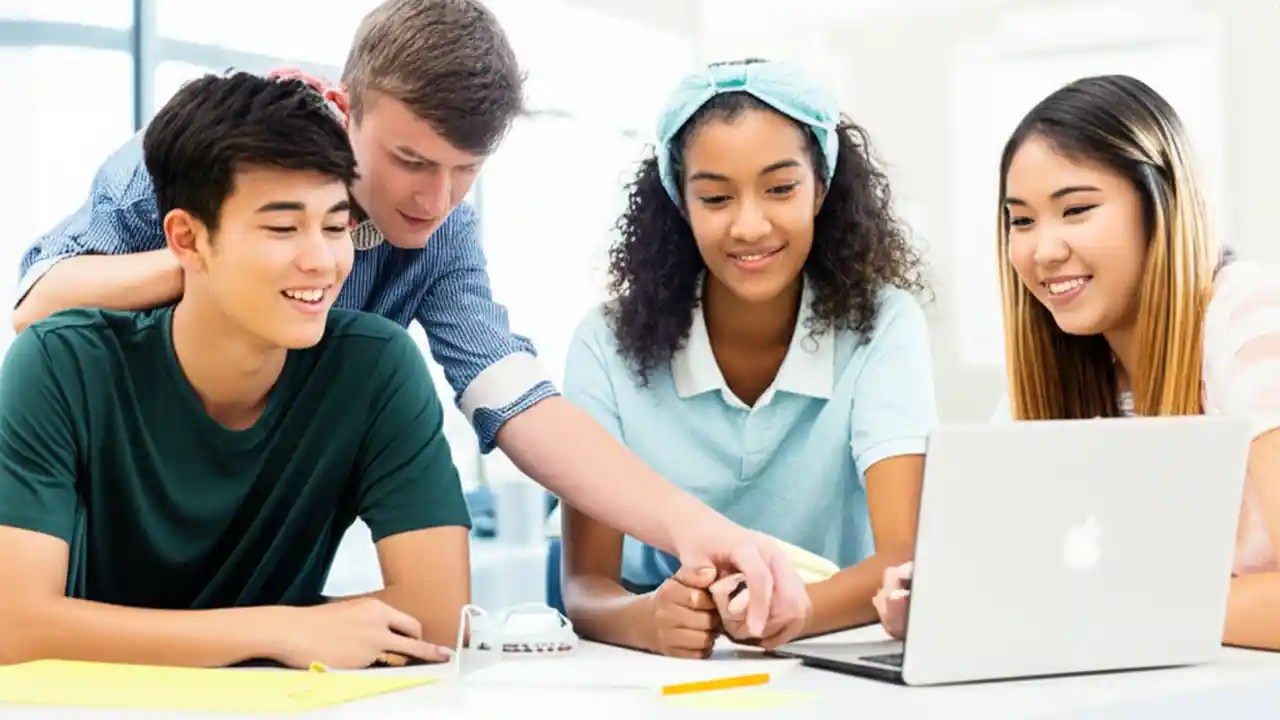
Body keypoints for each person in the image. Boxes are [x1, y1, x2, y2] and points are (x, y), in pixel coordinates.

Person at [9, 0, 807, 636]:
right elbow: (40, 300)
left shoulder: (436, 242)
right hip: (118, 544)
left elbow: (512, 394)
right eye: (412, 162)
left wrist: (692, 529)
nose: (436, 200)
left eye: (467, 171)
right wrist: (234, 256)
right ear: (345, 109)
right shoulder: (216, 152)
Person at [0, 71, 471, 669]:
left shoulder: (376, 370)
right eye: (281, 228)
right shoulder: (60, 364)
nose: (321, 262)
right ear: (187, 240)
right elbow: (13, 626)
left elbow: (439, 615)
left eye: (334, 226)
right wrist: (279, 631)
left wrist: (278, 633)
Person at [874, 75, 1280, 651]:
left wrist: (1090, 604)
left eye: (1077, 209)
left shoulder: (1251, 318)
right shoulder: (1056, 368)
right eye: (1021, 220)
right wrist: (941, 596)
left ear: (1160, 206)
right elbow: (990, 560)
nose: (1043, 250)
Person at [558, 59, 937, 658]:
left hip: (834, 663)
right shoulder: (604, 343)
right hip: (659, 676)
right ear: (681, 204)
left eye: (781, 188)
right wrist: (645, 619)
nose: (750, 225)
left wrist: (800, 610)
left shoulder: (884, 325)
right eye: (715, 197)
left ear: (821, 188)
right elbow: (584, 588)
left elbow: (908, 560)